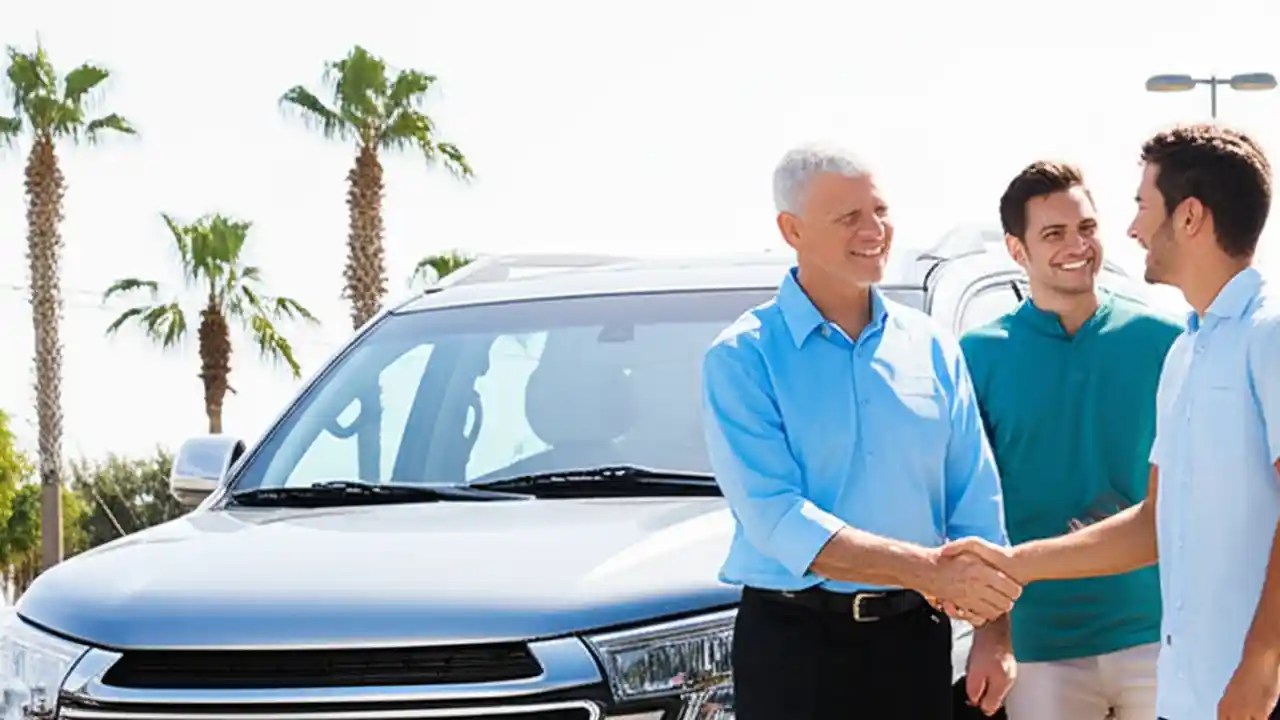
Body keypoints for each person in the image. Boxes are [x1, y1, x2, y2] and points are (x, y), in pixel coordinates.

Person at [944, 122, 1280, 720]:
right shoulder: (1188, 351)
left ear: (1191, 218)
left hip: (1241, 684)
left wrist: (1262, 662)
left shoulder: (1268, 335)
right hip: (1182, 685)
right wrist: (1013, 566)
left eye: (1142, 207)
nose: (1131, 230)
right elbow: (1154, 521)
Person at [700, 143, 1022, 719]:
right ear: (790, 229)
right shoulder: (743, 358)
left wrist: (995, 635)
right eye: (849, 217)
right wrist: (925, 569)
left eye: (879, 211)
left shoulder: (931, 347)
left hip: (913, 644)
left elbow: (976, 500)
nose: (874, 230)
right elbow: (777, 517)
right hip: (793, 648)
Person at [958, 160, 1182, 719]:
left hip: (1157, 631)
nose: (1076, 245)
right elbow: (972, 506)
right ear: (1018, 250)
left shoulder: (1164, 341)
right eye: (1053, 234)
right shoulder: (977, 356)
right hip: (1041, 646)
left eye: (1085, 228)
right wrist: (992, 635)